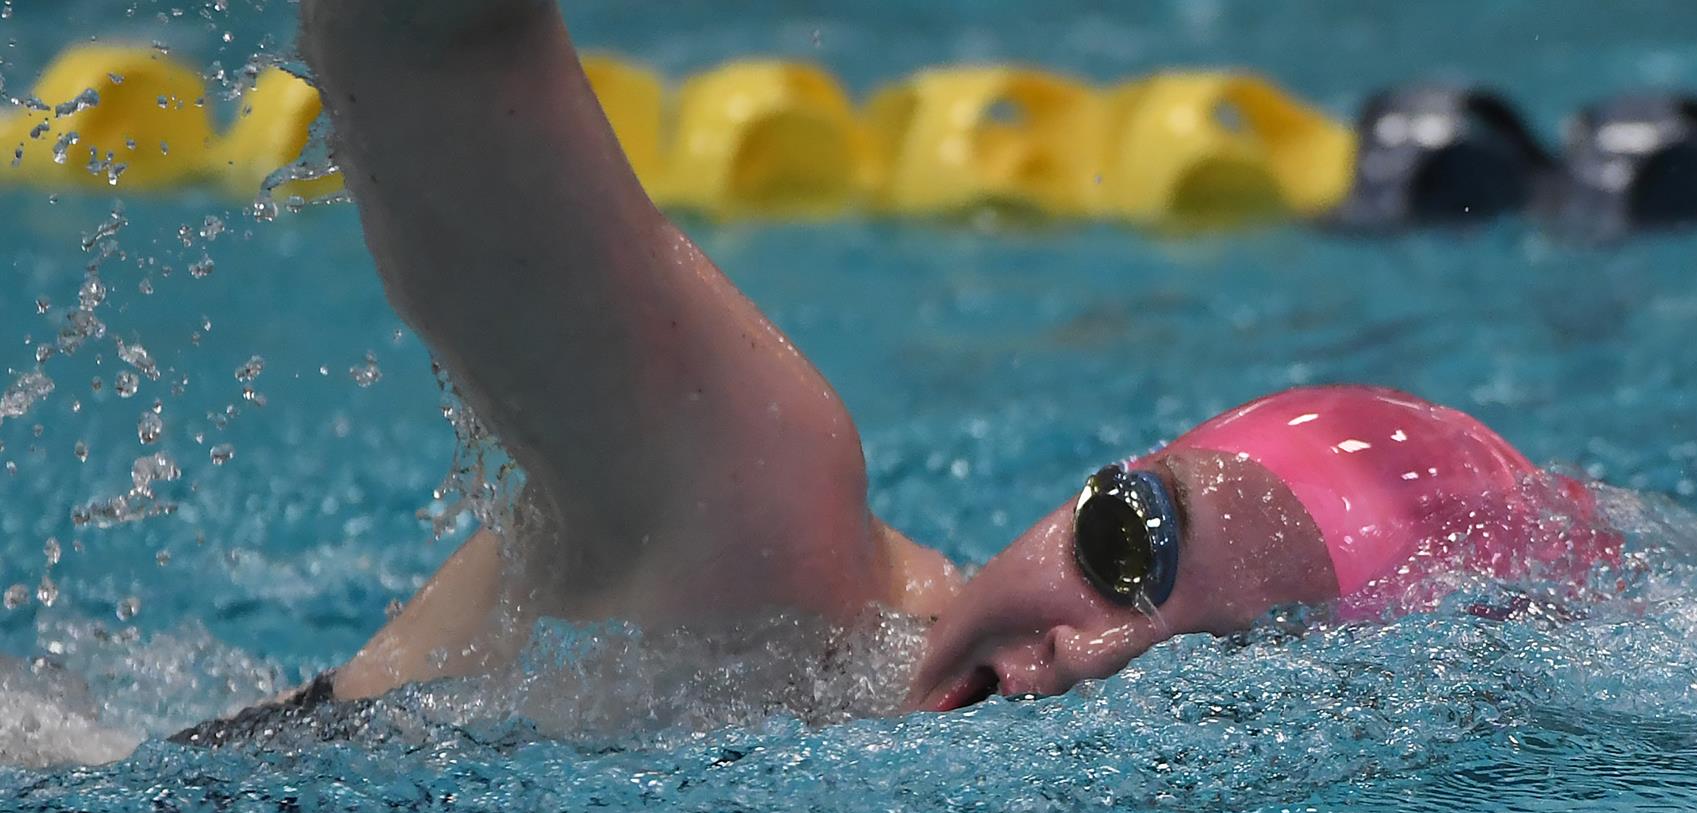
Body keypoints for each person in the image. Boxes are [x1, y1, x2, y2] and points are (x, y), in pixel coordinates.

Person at [183, 0, 1618, 741]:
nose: (1095, 656)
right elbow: (428, 44)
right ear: (1084, 487)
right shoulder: (749, 519)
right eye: (1127, 549)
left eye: (1230, 674)